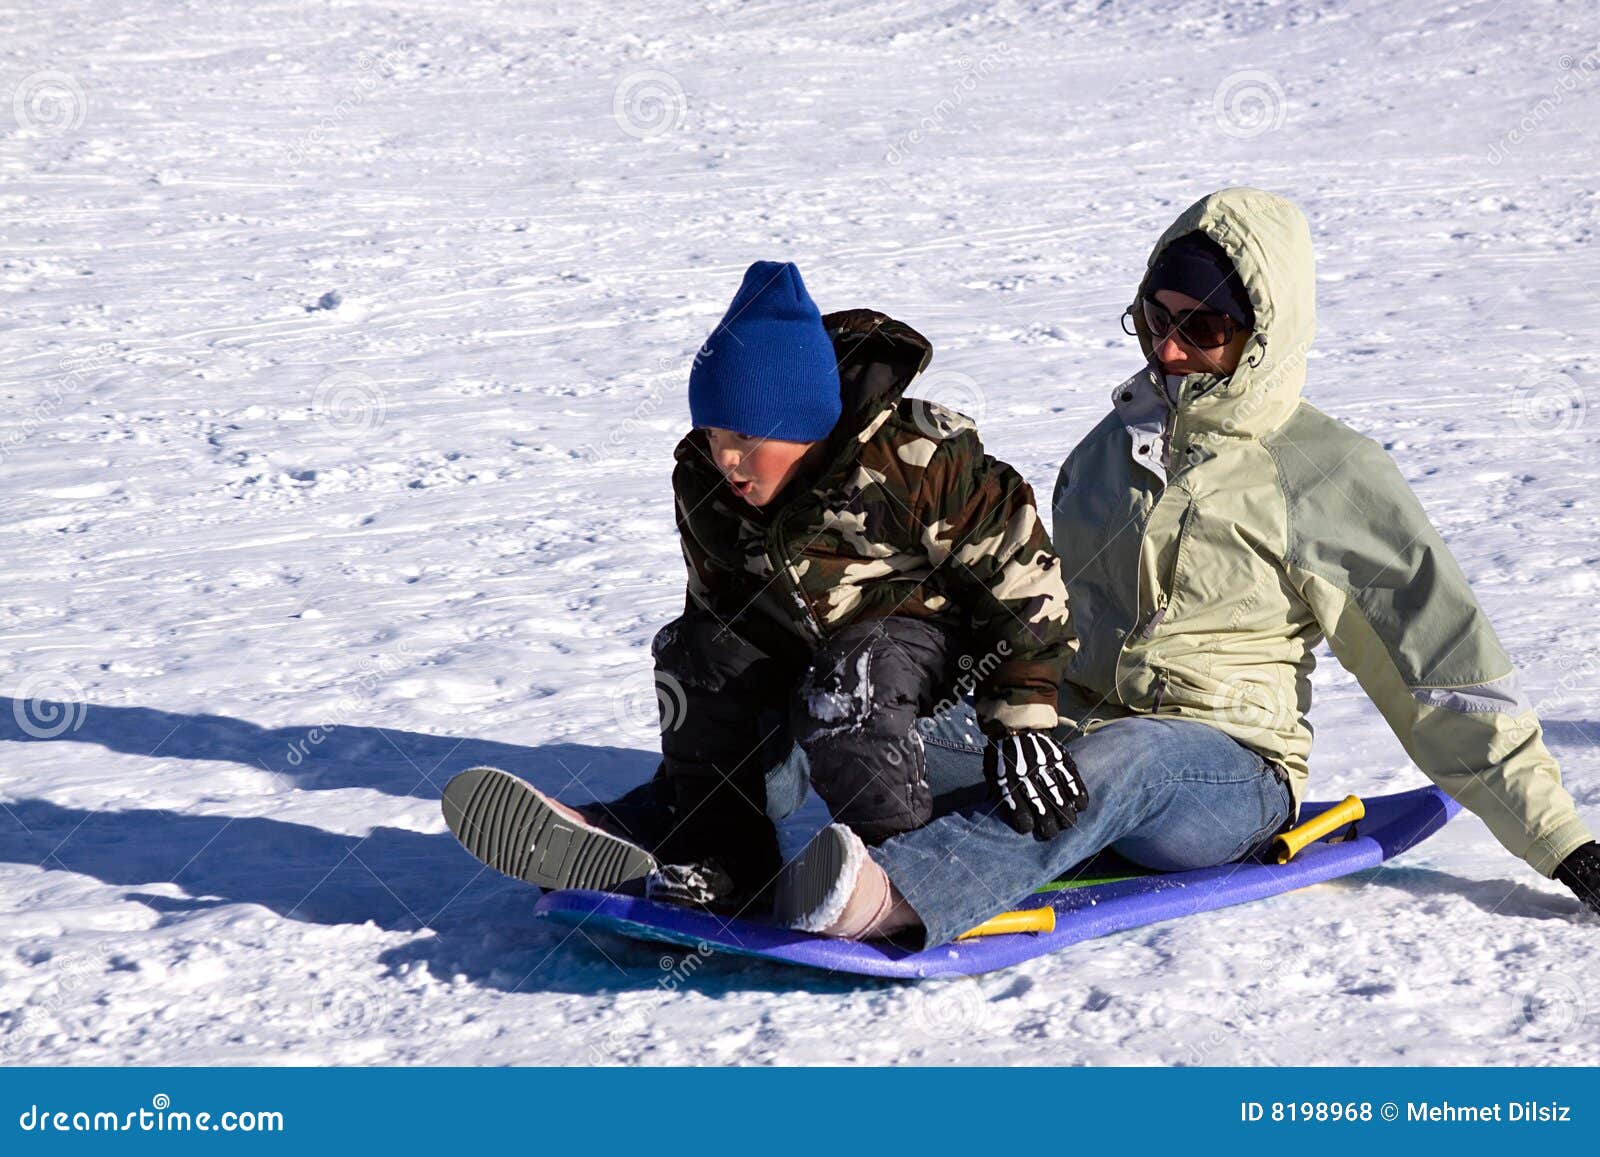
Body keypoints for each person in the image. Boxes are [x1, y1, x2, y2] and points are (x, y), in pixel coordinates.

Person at [772, 186, 1600, 946]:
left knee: (1122, 761)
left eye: (1201, 329)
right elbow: (1029, 612)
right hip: (1073, 726)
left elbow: (1440, 673)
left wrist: (1565, 845)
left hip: (1222, 773)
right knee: (859, 710)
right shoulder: (1106, 453)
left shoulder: (1328, 474)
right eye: (1152, 319)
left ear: (1260, 339)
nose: (1168, 350)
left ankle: (895, 897)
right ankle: (712, 851)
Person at [441, 260, 1084, 916]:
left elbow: (1024, 586)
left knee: (853, 672)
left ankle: (898, 880)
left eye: (745, 436)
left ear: (802, 424)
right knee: (699, 650)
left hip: (933, 661)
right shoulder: (707, 485)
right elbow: (715, 609)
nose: (724, 455)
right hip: (804, 656)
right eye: (715, 432)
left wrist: (1021, 721)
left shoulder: (916, 458)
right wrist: (703, 753)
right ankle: (726, 860)